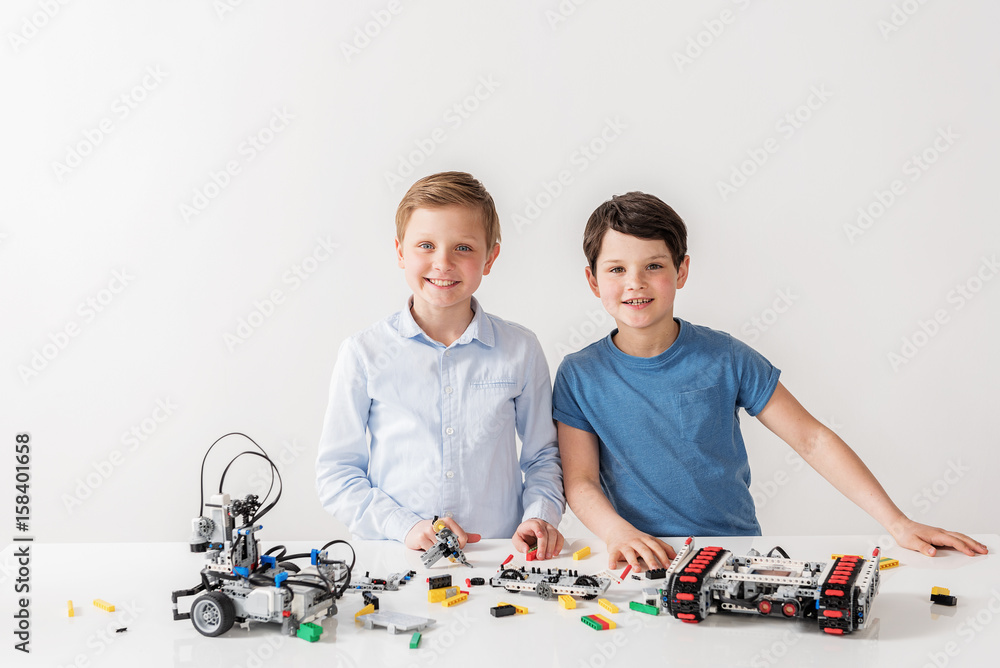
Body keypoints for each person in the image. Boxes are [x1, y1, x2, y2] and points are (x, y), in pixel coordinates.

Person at [553, 191, 988, 571]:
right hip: (638, 558)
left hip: (735, 553)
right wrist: (618, 535)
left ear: (681, 271)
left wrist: (897, 522)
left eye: (653, 265)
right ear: (592, 280)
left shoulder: (727, 357)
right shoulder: (579, 374)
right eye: (616, 269)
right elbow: (581, 480)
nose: (635, 283)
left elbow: (811, 440)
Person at [316, 171, 565, 559]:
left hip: (498, 556)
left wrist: (539, 516)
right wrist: (407, 527)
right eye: (426, 245)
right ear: (400, 252)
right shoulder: (363, 353)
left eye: (463, 247)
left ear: (490, 257)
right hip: (398, 555)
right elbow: (337, 473)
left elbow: (543, 457)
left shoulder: (521, 349)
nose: (442, 263)